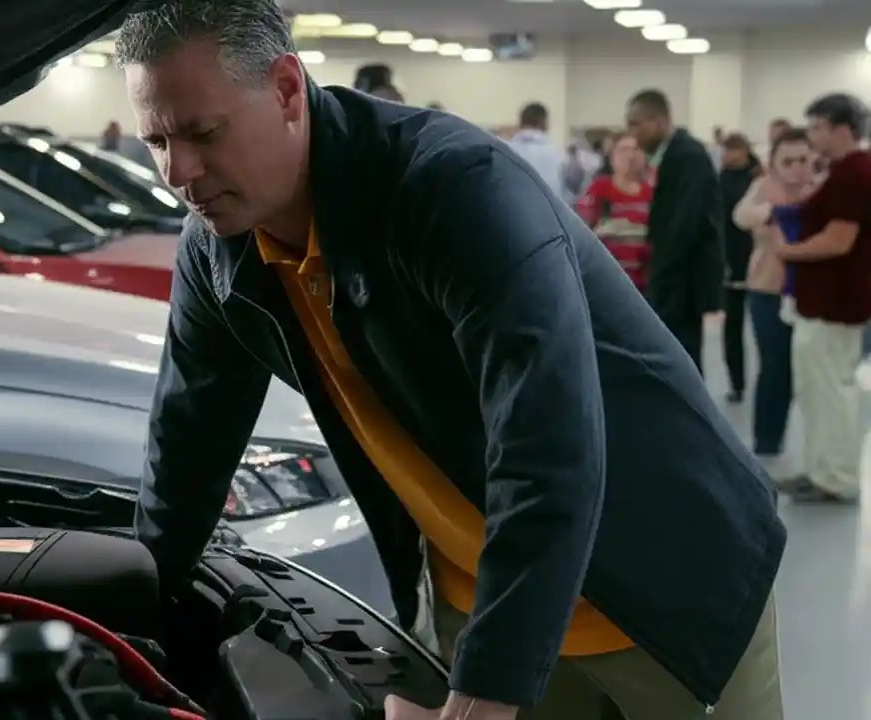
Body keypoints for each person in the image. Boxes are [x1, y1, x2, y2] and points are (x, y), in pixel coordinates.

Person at [117, 2, 785, 718]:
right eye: (155, 140)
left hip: (663, 580)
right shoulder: (218, 247)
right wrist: (132, 619)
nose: (178, 172)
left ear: (286, 88)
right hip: (489, 597)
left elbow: (549, 448)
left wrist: (486, 695)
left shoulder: (452, 188)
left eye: (202, 132)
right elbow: (190, 440)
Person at [772, 93, 871, 503]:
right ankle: (820, 469)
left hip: (835, 304)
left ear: (839, 127)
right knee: (818, 391)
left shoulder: (854, 173)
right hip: (825, 302)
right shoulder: (841, 172)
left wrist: (787, 252)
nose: (811, 137)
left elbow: (838, 239)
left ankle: (836, 476)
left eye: (816, 127)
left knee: (831, 392)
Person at [732, 128, 816, 479]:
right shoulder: (763, 188)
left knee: (809, 372)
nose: (796, 168)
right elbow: (741, 216)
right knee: (773, 367)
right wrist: (774, 211)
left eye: (803, 160)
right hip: (767, 291)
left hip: (811, 295)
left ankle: (815, 454)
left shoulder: (823, 189)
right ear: (774, 163)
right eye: (788, 161)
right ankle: (767, 443)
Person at [626, 89, 725, 373]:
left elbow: (685, 224)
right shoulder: (671, 156)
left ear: (659, 121)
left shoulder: (688, 156)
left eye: (636, 123)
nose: (632, 133)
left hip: (682, 280)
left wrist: (660, 273)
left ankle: (688, 416)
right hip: (674, 277)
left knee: (682, 357)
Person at [574, 134, 653, 292]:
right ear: (612, 157)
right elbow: (580, 232)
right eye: (624, 150)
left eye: (636, 150)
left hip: (645, 285)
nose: (630, 156)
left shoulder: (654, 193)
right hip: (607, 284)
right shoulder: (599, 189)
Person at [719, 133, 764, 403]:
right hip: (729, 261)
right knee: (732, 326)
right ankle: (737, 383)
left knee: (761, 326)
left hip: (756, 258)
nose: (729, 155)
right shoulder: (719, 178)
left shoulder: (758, 181)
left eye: (733, 149)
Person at [507, 102, 572, 203]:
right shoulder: (559, 155)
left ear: (521, 122)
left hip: (512, 214)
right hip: (549, 215)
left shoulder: (505, 151)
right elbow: (568, 194)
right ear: (543, 122)